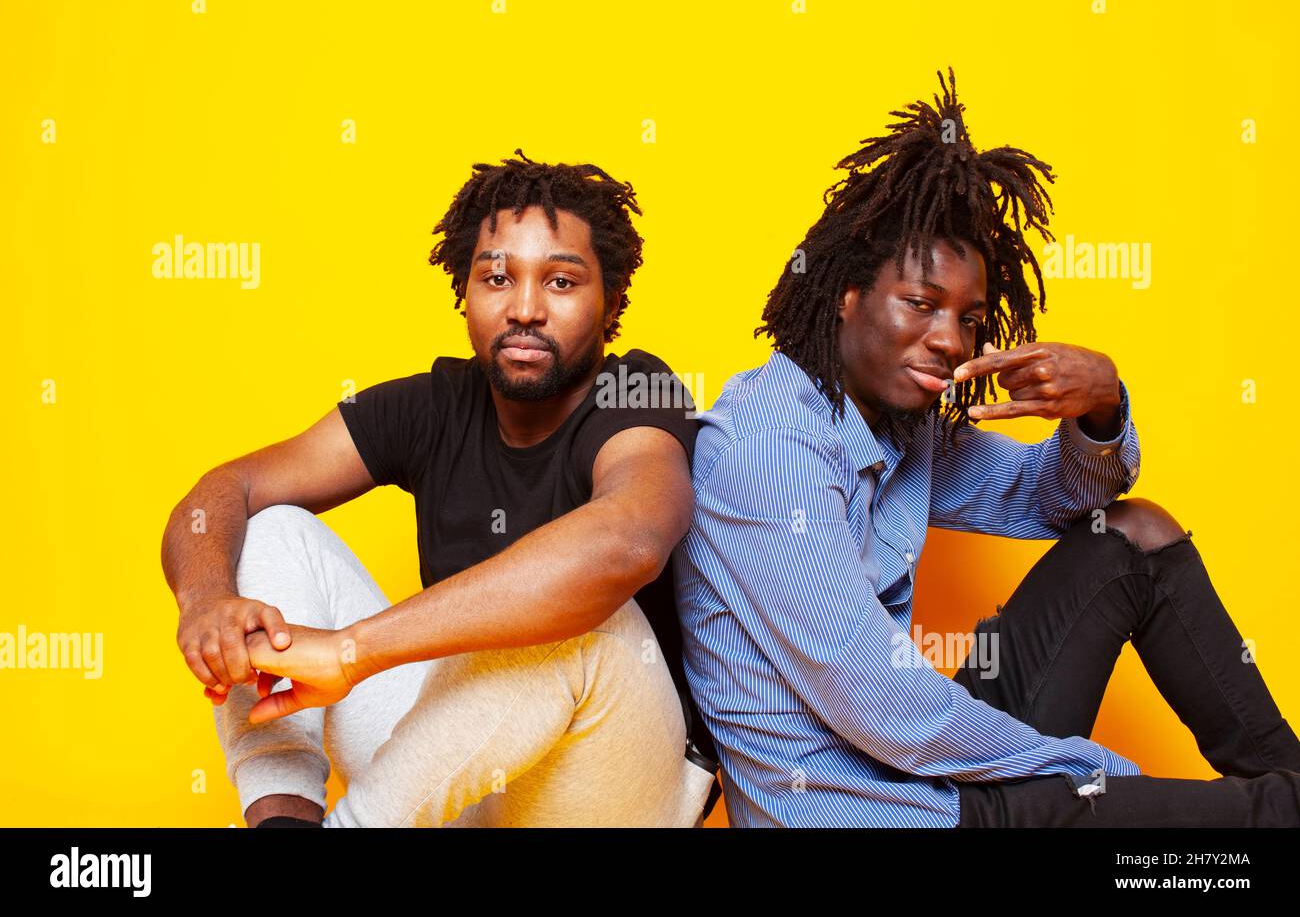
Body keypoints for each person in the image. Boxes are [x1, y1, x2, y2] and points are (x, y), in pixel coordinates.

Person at [672, 69, 1300, 826]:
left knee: (1133, 537)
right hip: (871, 807)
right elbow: (884, 706)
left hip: (928, 771)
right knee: (1236, 822)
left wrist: (1099, 408)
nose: (949, 340)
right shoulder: (769, 451)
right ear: (845, 295)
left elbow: (1054, 499)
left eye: (969, 318)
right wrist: (1091, 775)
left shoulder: (896, 424)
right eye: (921, 304)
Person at [161, 150, 717, 827]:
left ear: (611, 300)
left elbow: (625, 541)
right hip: (453, 765)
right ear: (464, 288)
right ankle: (285, 820)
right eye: (497, 278)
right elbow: (229, 487)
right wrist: (206, 600)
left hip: (605, 782)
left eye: (562, 282)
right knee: (274, 527)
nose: (526, 308)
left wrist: (351, 651)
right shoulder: (435, 405)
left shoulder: (638, 391)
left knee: (584, 611)